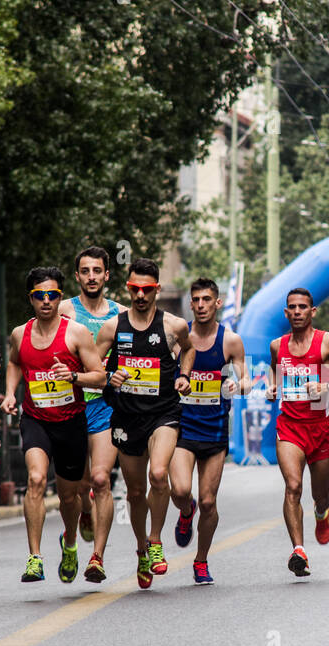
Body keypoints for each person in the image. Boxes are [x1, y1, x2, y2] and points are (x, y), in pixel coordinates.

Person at [1, 267, 106, 584]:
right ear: (30, 299)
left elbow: (100, 377)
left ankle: (70, 544)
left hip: (71, 422)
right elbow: (15, 362)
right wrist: (9, 393)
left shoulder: (76, 333)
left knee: (69, 498)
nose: (46, 301)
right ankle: (35, 558)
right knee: (35, 479)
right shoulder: (20, 333)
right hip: (36, 420)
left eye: (53, 295)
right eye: (39, 295)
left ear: (60, 297)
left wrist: (72, 377)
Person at [95, 258, 193, 589]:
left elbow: (189, 350)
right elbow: (93, 367)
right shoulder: (112, 327)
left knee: (159, 474)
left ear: (157, 290)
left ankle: (154, 542)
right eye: (134, 289)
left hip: (163, 412)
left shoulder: (174, 325)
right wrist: (110, 375)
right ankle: (141, 550)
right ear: (128, 288)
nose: (140, 295)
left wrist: (184, 375)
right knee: (136, 491)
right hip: (126, 416)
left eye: (146, 289)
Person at [267, 288, 329, 577]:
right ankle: (299, 551)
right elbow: (274, 369)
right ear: (286, 313)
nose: (297, 312)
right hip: (290, 428)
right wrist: (274, 387)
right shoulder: (278, 346)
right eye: (292, 308)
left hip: (322, 430)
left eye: (302, 307)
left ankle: (321, 513)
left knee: (319, 494)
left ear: (312, 312)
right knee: (293, 487)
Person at [168, 278, 246, 585]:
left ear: (218, 303)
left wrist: (236, 385)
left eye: (206, 299)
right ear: (191, 303)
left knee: (210, 502)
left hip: (214, 430)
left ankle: (201, 561)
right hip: (183, 426)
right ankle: (186, 512)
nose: (200, 305)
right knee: (180, 490)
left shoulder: (231, 341)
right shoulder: (178, 337)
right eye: (196, 299)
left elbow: (247, 379)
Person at [58, 246, 124, 581]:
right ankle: (72, 536)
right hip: (69, 403)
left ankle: (96, 557)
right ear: (78, 275)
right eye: (85, 271)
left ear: (107, 275)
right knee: (77, 486)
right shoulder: (63, 309)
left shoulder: (121, 314)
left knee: (100, 480)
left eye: (97, 271)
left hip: (105, 404)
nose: (92, 277)